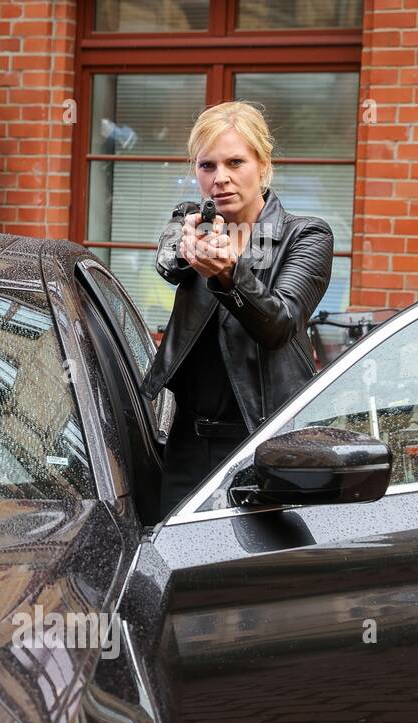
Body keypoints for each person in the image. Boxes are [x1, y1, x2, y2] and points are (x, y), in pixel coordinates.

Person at [141, 101, 333, 517]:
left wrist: (231, 276)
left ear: (263, 166)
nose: (220, 179)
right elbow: (168, 261)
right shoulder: (192, 225)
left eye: (235, 162)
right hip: (188, 447)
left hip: (266, 440)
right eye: (206, 166)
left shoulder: (306, 236)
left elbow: (279, 324)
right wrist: (186, 246)